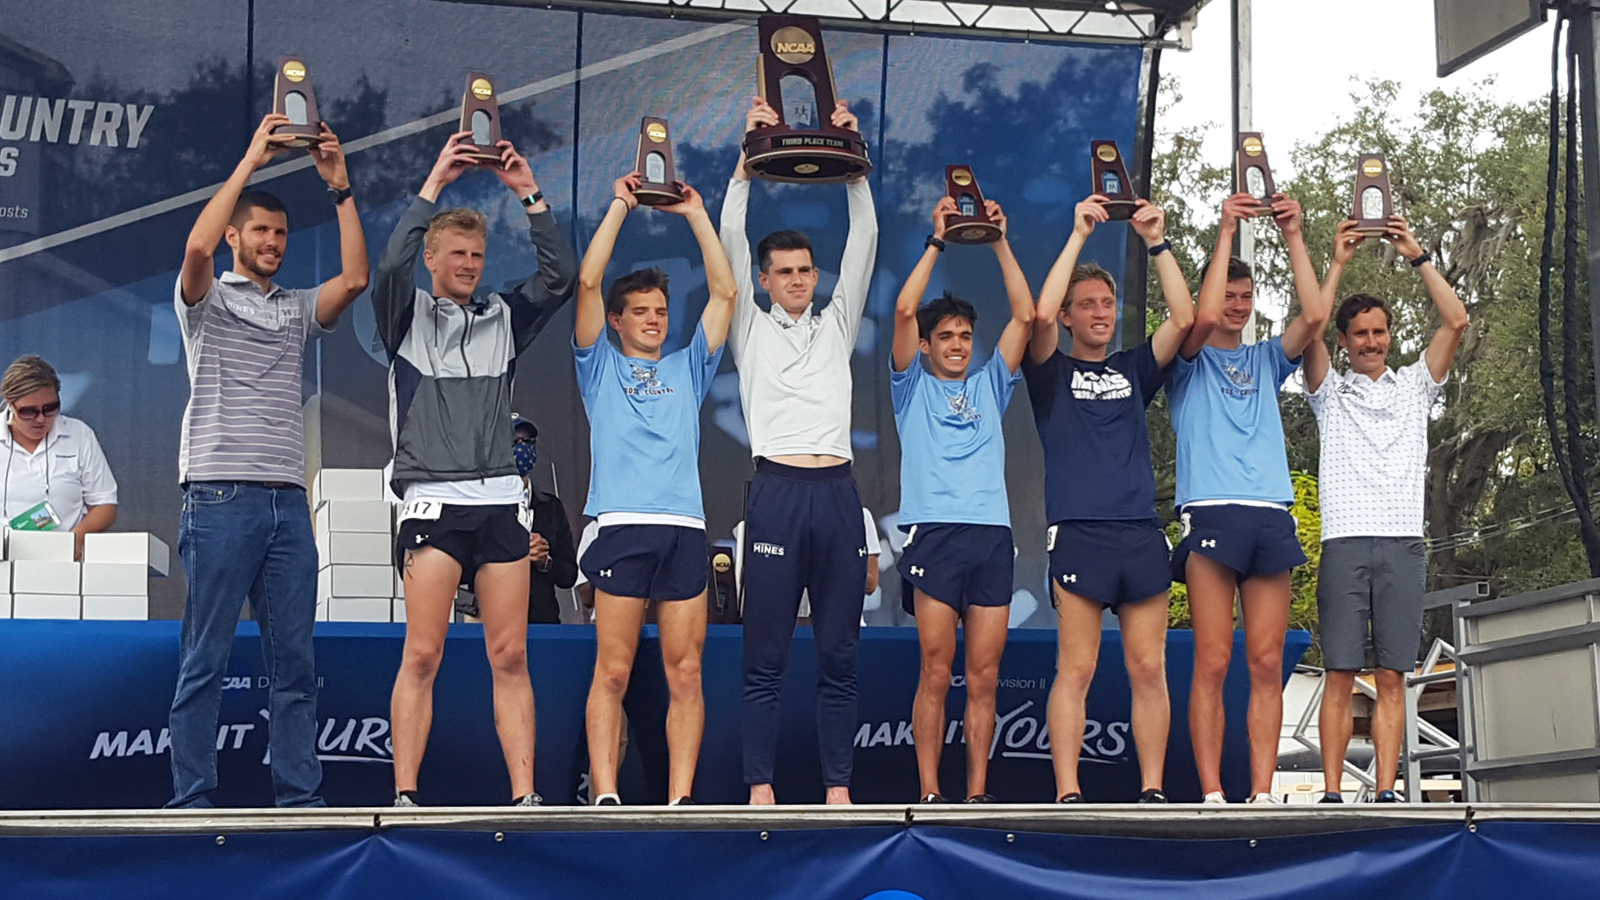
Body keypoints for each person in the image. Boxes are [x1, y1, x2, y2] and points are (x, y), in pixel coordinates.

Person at [167, 113, 368, 808]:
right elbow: (194, 245)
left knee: (295, 665)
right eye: (261, 231)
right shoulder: (205, 300)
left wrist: (340, 191)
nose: (274, 243)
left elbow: (358, 280)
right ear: (235, 237)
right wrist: (252, 157)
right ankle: (192, 798)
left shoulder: (296, 307)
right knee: (207, 657)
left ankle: (299, 800)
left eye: (281, 234)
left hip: (286, 500)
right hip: (219, 495)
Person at [376, 130, 577, 807]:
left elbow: (559, 277)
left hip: (499, 500)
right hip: (432, 498)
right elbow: (387, 269)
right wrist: (436, 178)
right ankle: (405, 795)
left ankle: (525, 796)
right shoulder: (404, 316)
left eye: (477, 254)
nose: (468, 263)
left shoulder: (501, 317)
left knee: (510, 655)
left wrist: (529, 193)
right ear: (431, 258)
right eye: (455, 253)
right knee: (424, 653)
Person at [721, 94, 878, 805]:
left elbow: (865, 239)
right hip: (777, 495)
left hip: (839, 496)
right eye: (782, 271)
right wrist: (748, 159)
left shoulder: (836, 322)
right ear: (763, 279)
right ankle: (761, 788)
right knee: (767, 657)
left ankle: (838, 789)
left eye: (804, 270)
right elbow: (729, 235)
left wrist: (853, 161)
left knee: (840, 654)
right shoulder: (749, 331)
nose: (795, 280)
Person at [1025, 194, 1200, 804]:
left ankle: (1151, 789)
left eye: (1107, 303)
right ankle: (1068, 791)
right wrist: (1077, 235)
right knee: (1076, 669)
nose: (1100, 312)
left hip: (1138, 533)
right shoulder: (1050, 372)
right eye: (1088, 305)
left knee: (1149, 668)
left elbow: (1184, 320)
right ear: (1072, 317)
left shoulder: (1133, 367)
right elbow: (1038, 319)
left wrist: (1156, 239)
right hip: (1079, 533)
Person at [574, 172, 737, 806]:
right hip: (621, 523)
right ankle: (606, 794)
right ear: (616, 321)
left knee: (687, 671)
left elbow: (724, 292)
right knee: (613, 670)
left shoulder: (688, 366)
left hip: (684, 529)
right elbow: (588, 282)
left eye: (660, 312)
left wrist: (696, 212)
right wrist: (619, 203)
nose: (652, 321)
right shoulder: (599, 365)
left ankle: (680, 799)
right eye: (639, 312)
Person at [1167, 191, 1329, 805]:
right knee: (1212, 660)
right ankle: (1211, 790)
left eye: (1245, 298)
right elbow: (1201, 317)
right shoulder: (1186, 358)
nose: (1235, 307)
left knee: (1265, 663)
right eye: (1229, 295)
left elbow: (1314, 318)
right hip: (1211, 510)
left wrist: (1294, 234)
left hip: (1270, 515)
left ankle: (1261, 790)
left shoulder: (1264, 358)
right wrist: (1227, 230)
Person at [1305, 216, 1468, 803]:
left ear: (1390, 336)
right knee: (1341, 673)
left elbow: (1457, 320)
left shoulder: (1414, 385)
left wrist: (1416, 253)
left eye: (1379, 332)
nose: (1371, 342)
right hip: (1346, 540)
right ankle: (1328, 792)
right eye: (1360, 334)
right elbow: (1311, 324)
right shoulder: (1328, 389)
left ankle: (1385, 790)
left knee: (1394, 675)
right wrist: (1339, 260)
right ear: (1346, 342)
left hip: (1402, 540)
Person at [892, 196, 1033, 804]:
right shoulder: (909, 386)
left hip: (990, 537)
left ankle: (977, 793)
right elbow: (903, 308)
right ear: (925, 346)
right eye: (945, 335)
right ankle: (929, 791)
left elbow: (1026, 317)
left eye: (964, 335)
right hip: (936, 535)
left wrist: (999, 239)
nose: (957, 343)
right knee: (933, 668)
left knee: (984, 676)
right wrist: (937, 240)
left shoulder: (990, 383)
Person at [455, 417, 578, 625]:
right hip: (490, 618)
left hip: (540, 619)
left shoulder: (550, 506)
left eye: (528, 441)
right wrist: (507, 551)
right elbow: (460, 569)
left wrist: (544, 561)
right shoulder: (478, 503)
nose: (522, 448)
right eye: (513, 442)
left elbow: (568, 576)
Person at [0, 355, 118, 556]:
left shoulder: (78, 434)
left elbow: (104, 503)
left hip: (62, 560)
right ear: (10, 403)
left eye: (50, 408)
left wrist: (76, 538)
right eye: (28, 412)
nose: (41, 419)